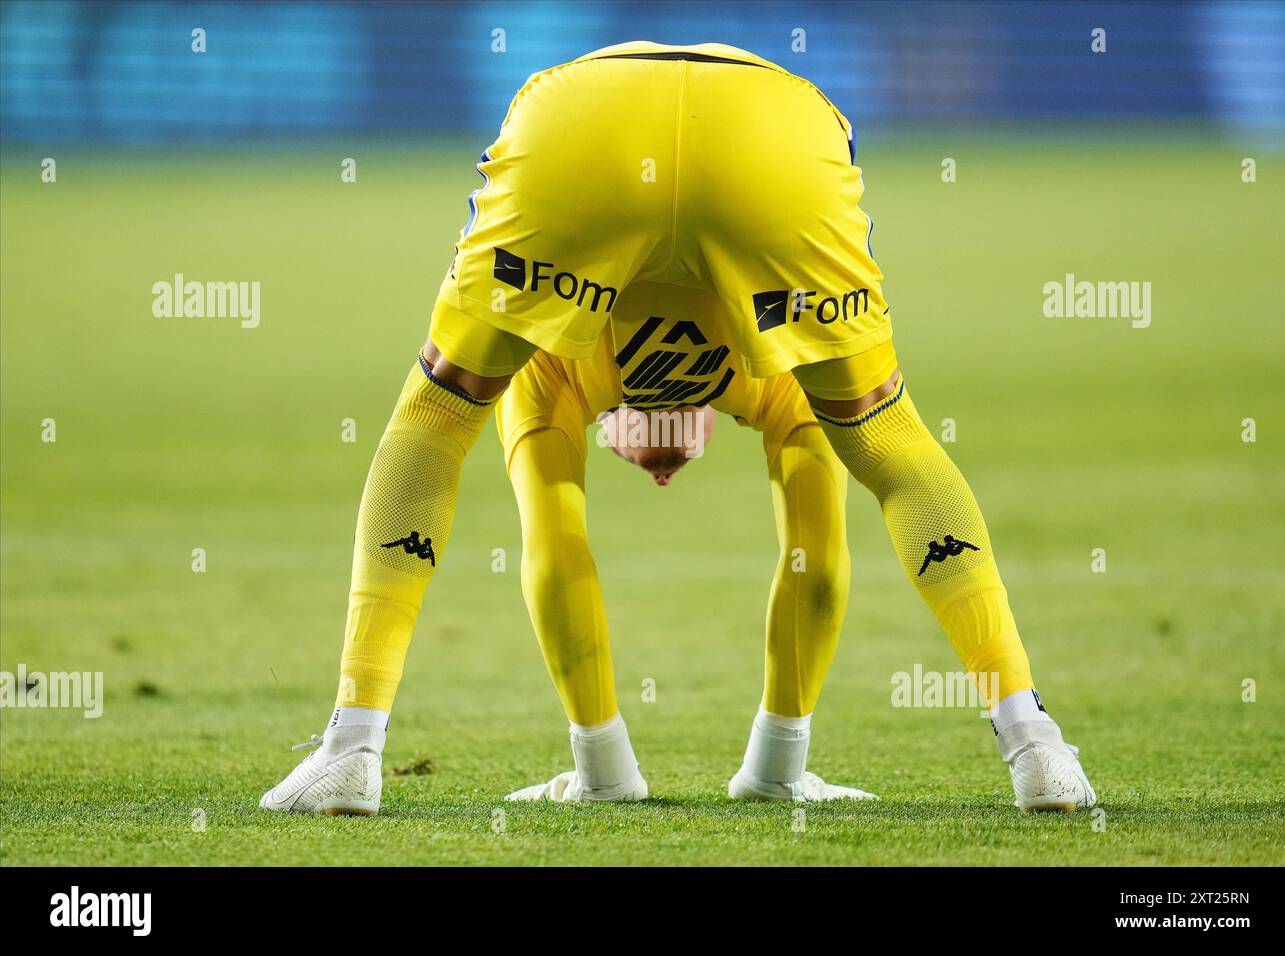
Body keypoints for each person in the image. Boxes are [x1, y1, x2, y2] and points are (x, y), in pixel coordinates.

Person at [261, 41, 1095, 816]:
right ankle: (1033, 743)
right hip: (772, 138)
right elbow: (819, 553)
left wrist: (601, 778)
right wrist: (781, 767)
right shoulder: (777, 373)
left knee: (436, 418)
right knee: (891, 445)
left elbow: (554, 545)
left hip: (579, 133)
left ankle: (358, 749)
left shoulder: (549, 365)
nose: (660, 466)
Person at [498, 281, 872, 803]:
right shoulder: (770, 367)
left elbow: (658, 438)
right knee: (832, 521)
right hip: (755, 320)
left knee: (462, 443)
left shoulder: (558, 368)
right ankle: (779, 767)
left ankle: (603, 773)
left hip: (581, 315)